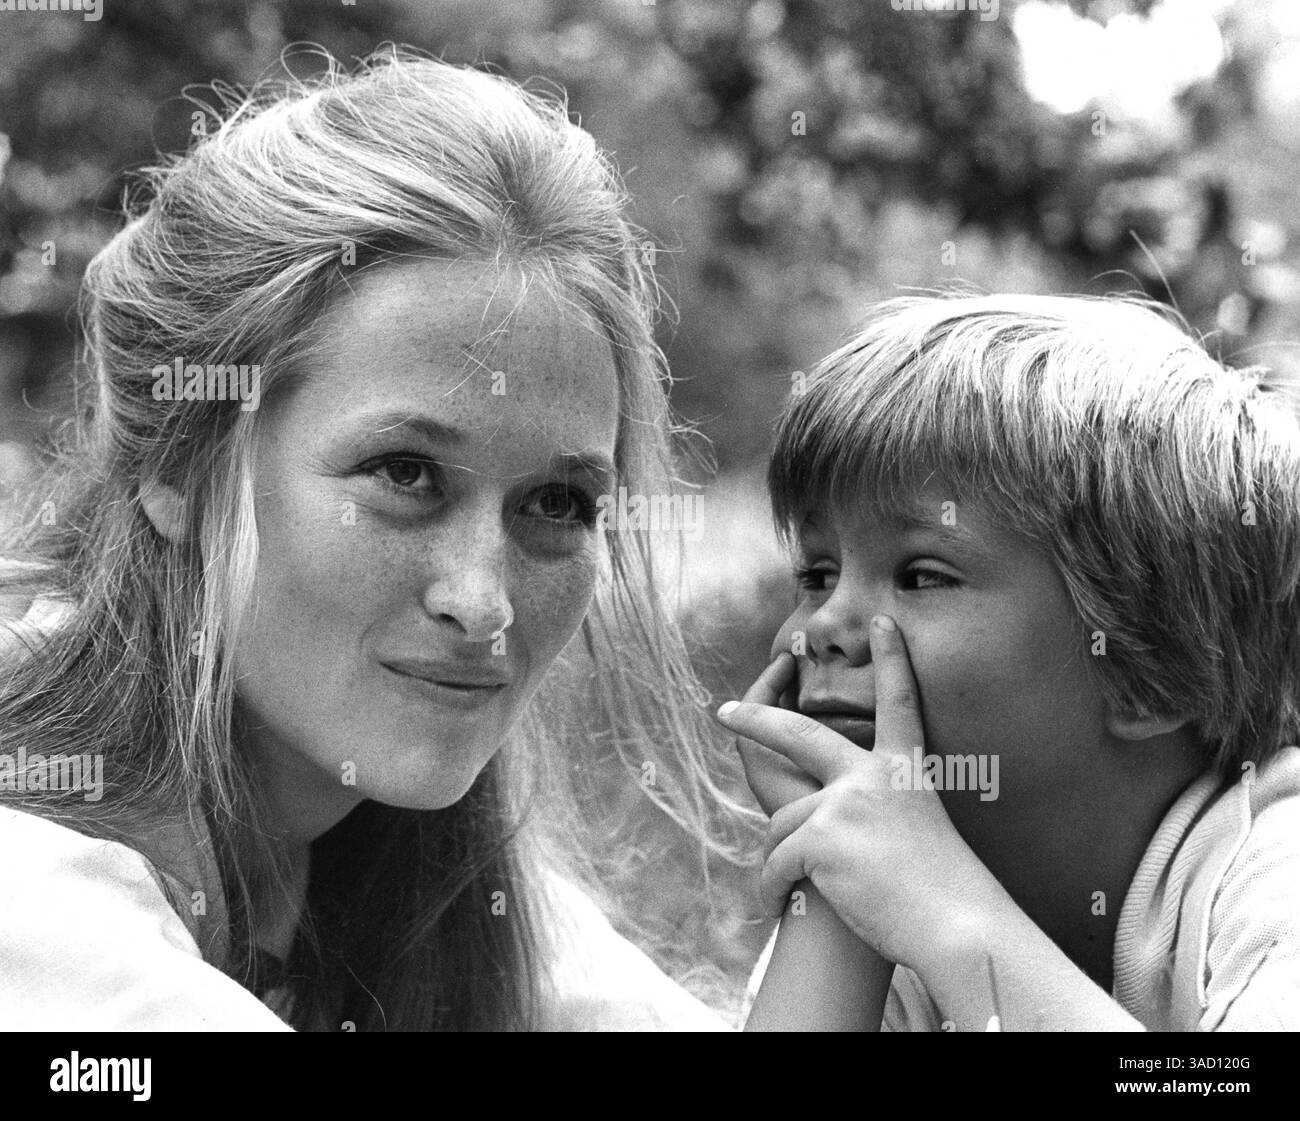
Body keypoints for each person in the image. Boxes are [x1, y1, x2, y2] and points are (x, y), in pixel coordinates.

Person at [0, 47, 748, 1031]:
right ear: (178, 470)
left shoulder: (421, 868)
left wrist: (883, 884)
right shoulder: (33, 880)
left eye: (557, 503)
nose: (482, 602)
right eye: (406, 474)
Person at [722, 293, 1300, 1031]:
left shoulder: (1277, 876)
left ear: (1143, 669)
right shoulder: (892, 889)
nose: (823, 626)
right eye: (817, 574)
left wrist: (950, 915)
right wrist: (839, 887)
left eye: (922, 574)